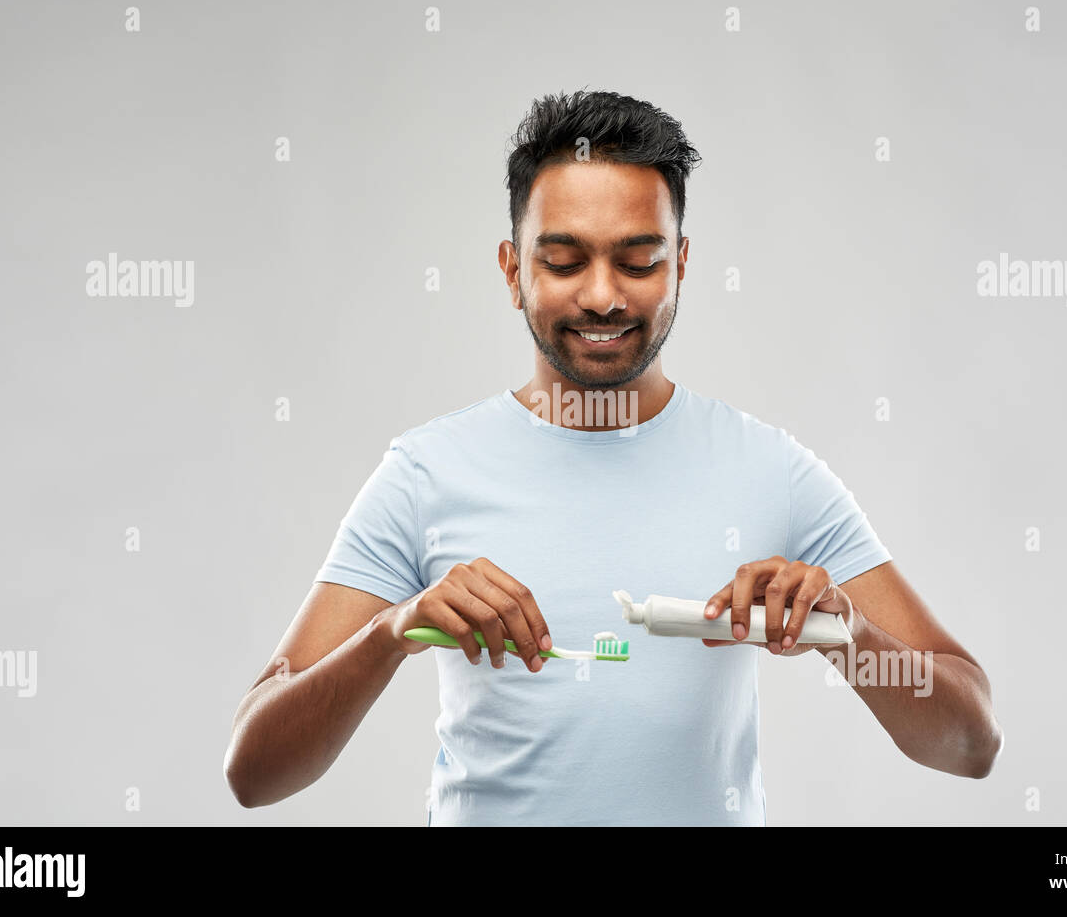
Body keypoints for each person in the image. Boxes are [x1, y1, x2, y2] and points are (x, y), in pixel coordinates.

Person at [224, 89, 1002, 826]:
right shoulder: (427, 473)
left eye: (638, 261)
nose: (603, 297)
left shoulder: (773, 471)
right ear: (511, 270)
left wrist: (848, 635)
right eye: (563, 261)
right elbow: (254, 771)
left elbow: (971, 744)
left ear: (683, 263)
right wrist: (392, 632)